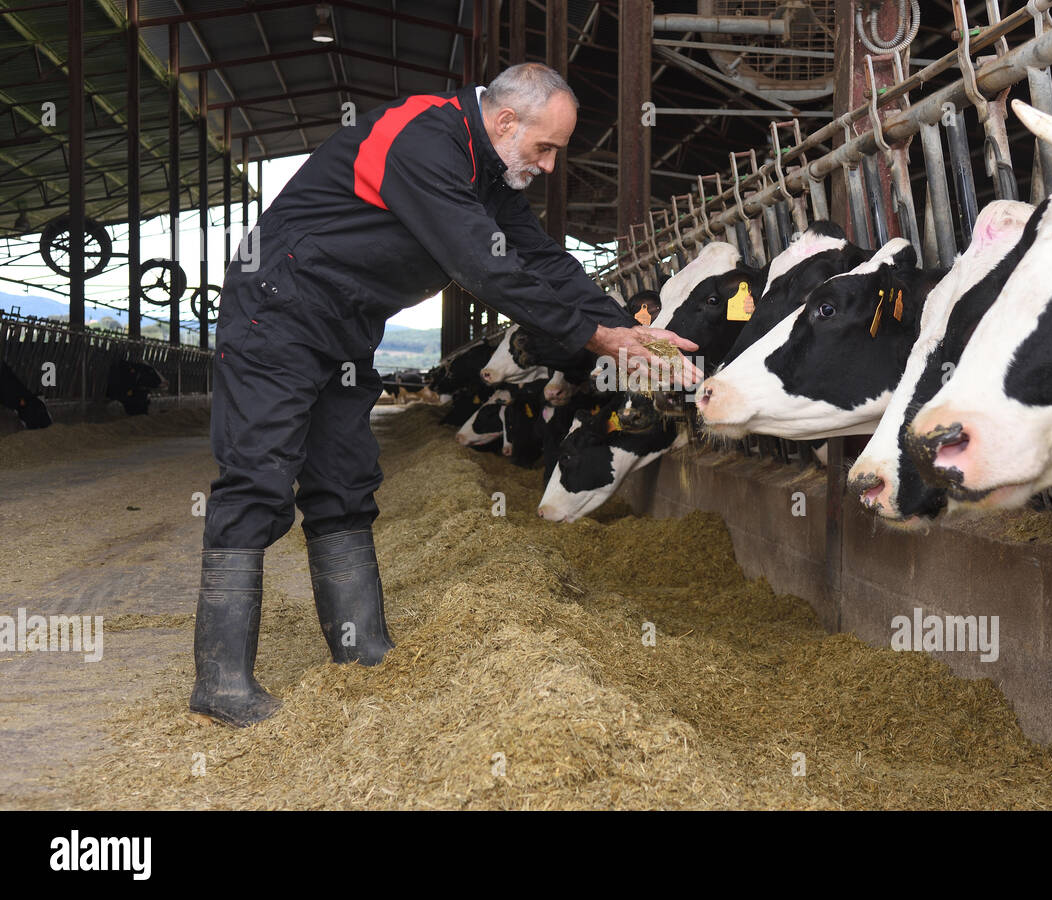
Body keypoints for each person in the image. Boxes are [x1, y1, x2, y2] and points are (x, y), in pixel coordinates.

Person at [193, 63, 700, 727]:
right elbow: (480, 265)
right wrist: (592, 338)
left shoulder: (485, 172)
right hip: (278, 310)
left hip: (344, 325)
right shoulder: (423, 140)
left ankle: (365, 652)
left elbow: (543, 261)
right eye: (545, 148)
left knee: (343, 479)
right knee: (258, 477)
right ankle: (222, 682)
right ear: (505, 122)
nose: (550, 166)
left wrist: (629, 331)